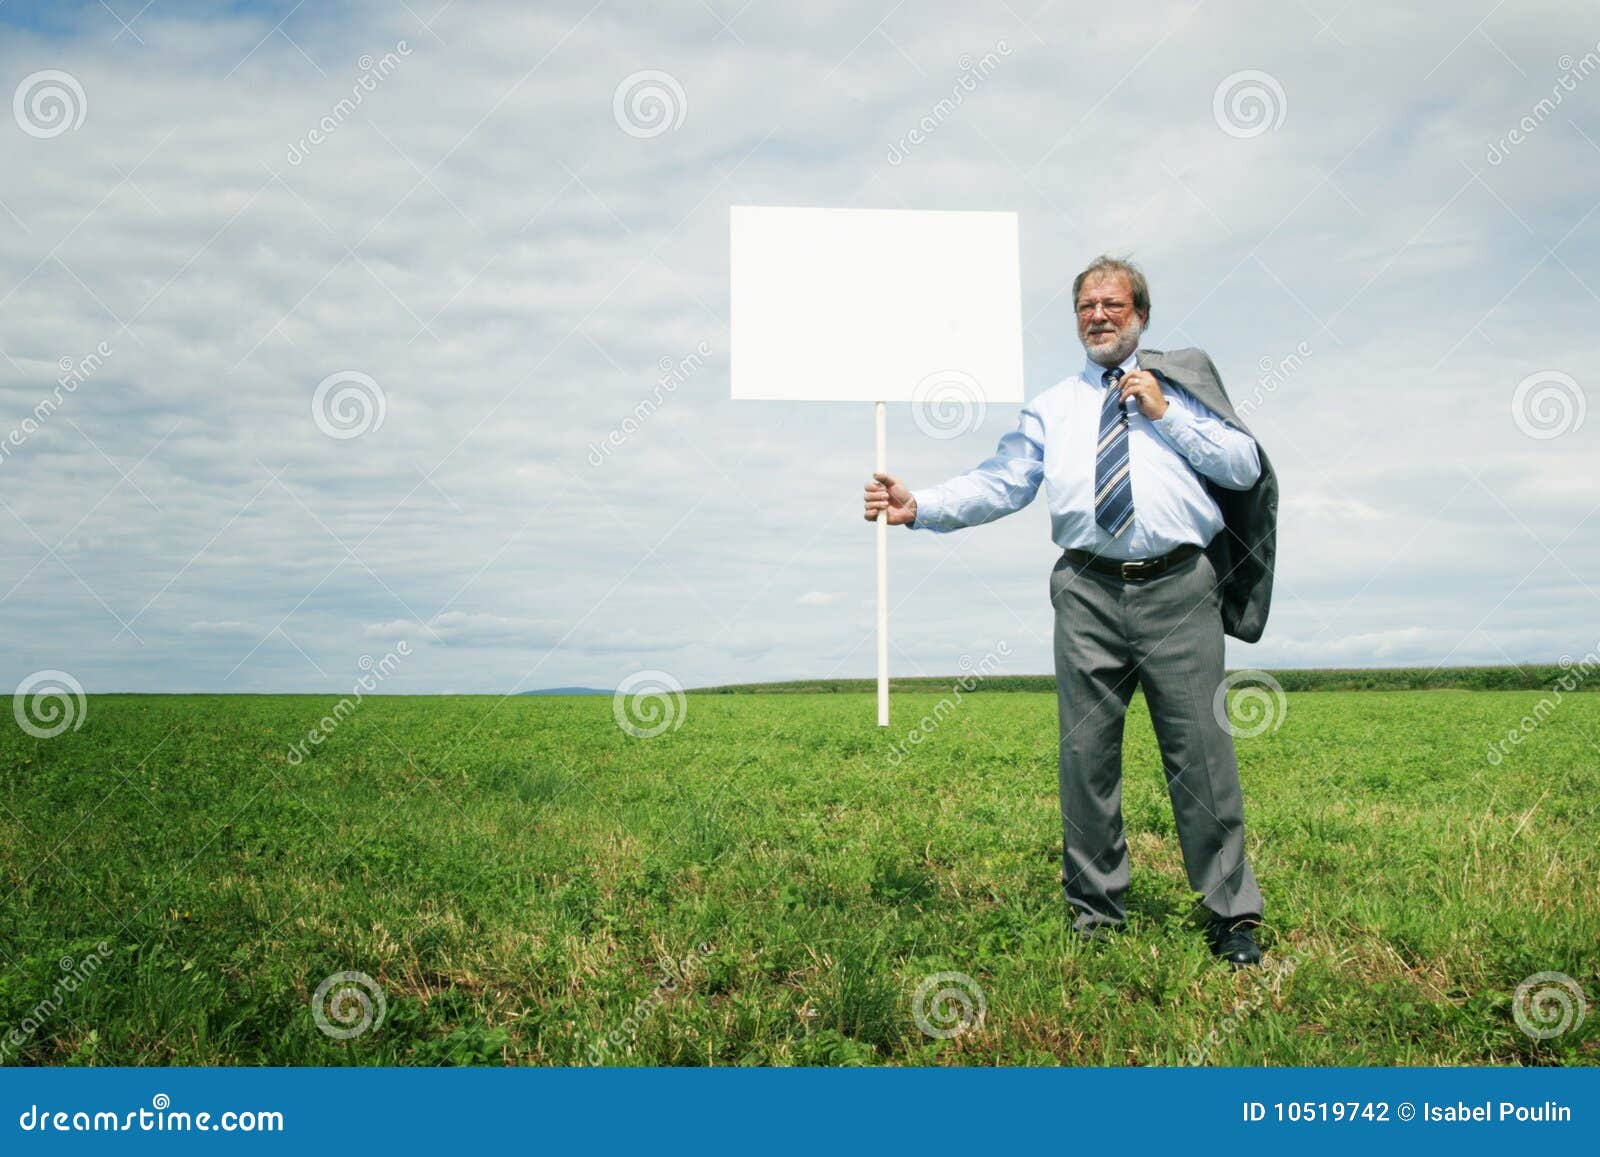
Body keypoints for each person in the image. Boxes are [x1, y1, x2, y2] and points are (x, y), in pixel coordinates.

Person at [861, 255, 1278, 967]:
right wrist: (920, 505)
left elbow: (1243, 466)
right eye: (1086, 305)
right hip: (1085, 589)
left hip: (1180, 588)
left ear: (1140, 315)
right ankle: (1096, 915)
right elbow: (1004, 482)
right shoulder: (1053, 407)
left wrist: (1166, 413)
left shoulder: (1181, 388)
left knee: (1201, 758)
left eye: (1113, 304)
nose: (1099, 315)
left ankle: (1230, 914)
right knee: (1085, 758)